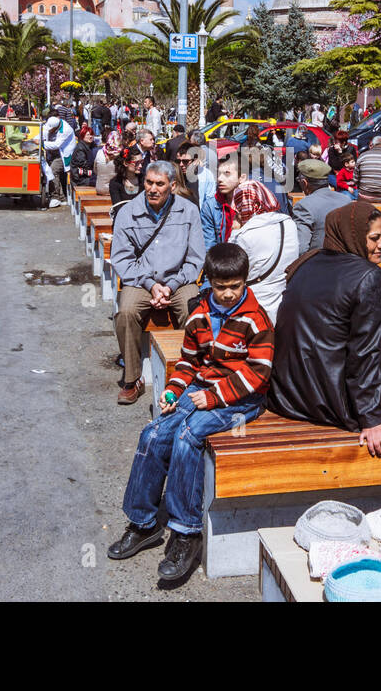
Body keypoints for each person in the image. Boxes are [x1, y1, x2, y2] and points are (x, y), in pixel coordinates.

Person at [108, 242, 272, 583]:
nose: (227, 294)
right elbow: (188, 362)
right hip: (202, 391)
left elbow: (259, 373)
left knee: (187, 436)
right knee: (153, 433)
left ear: (246, 282)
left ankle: (186, 531)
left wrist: (213, 397)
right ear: (207, 281)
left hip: (242, 400)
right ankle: (144, 523)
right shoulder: (199, 314)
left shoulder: (256, 320)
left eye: (235, 286)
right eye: (220, 286)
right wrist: (173, 390)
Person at [269, 202, 381, 455]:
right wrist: (372, 421)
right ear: (353, 235)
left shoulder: (307, 263)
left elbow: (335, 331)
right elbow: (364, 350)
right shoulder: (369, 276)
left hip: (289, 395)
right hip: (330, 400)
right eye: (375, 238)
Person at [110, 160, 205, 405]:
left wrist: (171, 286)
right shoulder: (128, 212)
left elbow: (195, 259)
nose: (152, 189)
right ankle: (132, 379)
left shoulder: (189, 211)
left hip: (179, 280)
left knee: (193, 311)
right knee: (126, 312)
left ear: (172, 186)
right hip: (140, 281)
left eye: (159, 184)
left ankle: (188, 375)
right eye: (149, 182)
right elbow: (122, 258)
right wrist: (151, 285)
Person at [230, 180, 299, 317]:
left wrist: (234, 232)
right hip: (285, 298)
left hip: (255, 304)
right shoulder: (288, 223)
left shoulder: (244, 235)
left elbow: (230, 267)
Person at [291, 159, 351, 253]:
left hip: (318, 263)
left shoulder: (304, 206)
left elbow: (300, 248)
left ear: (304, 182)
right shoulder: (346, 200)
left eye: (299, 180)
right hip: (346, 262)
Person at [200, 151, 243, 250]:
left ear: (241, 177)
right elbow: (209, 246)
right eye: (218, 174)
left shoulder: (252, 204)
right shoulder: (210, 206)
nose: (219, 179)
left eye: (227, 174)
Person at [70, 124, 97, 188]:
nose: (90, 136)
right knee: (98, 182)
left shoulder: (92, 146)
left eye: (91, 134)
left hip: (88, 175)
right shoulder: (80, 148)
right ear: (83, 136)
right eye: (88, 135)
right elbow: (84, 164)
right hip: (80, 178)